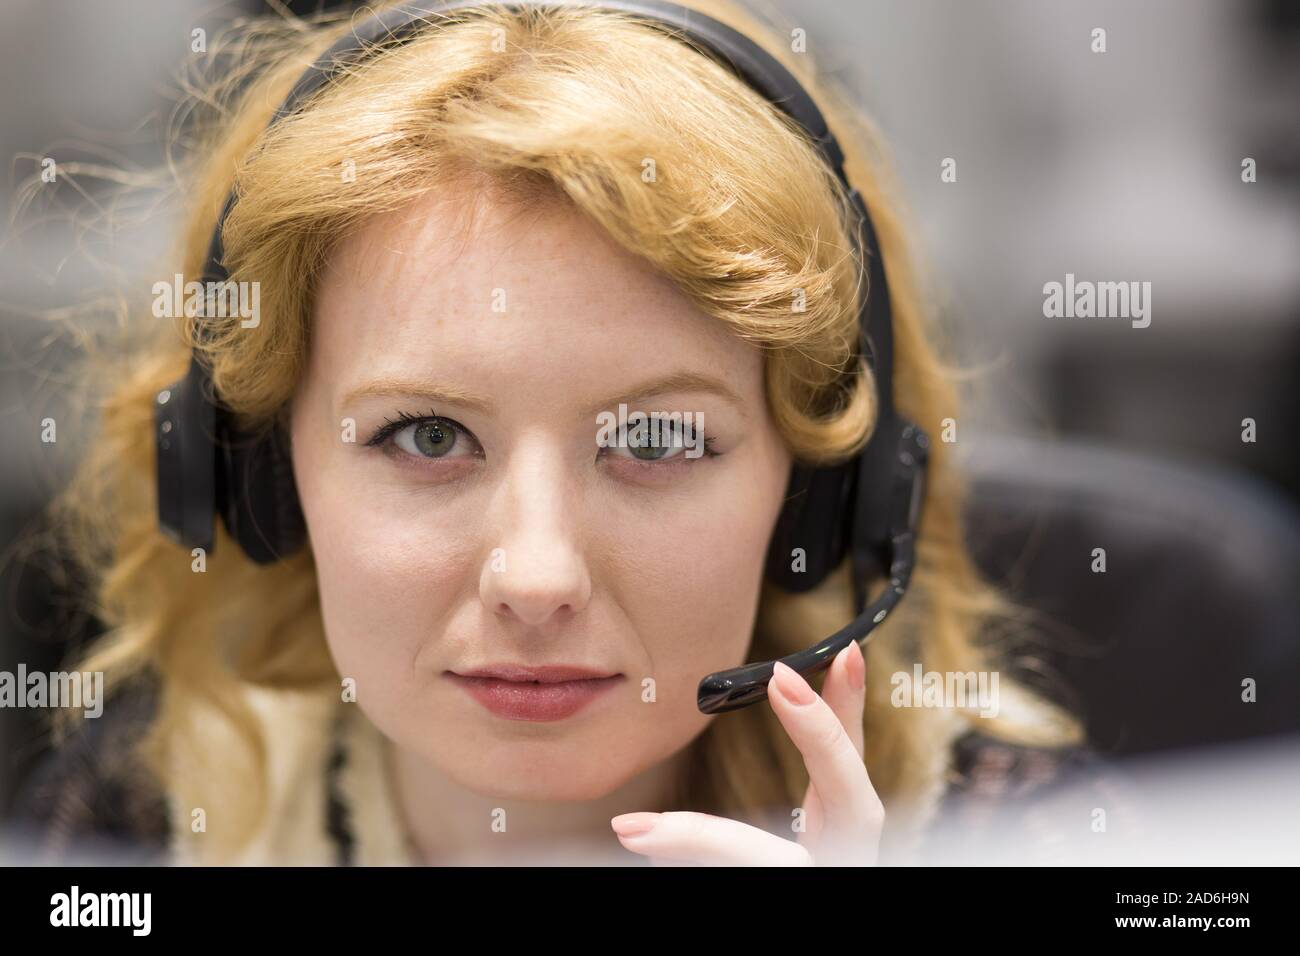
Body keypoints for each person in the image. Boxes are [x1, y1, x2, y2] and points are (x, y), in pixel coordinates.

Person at [7, 0, 1085, 866]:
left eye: (658, 439)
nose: (536, 574)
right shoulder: (144, 815)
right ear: (254, 472)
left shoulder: (1012, 825)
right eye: (426, 436)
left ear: (821, 488)